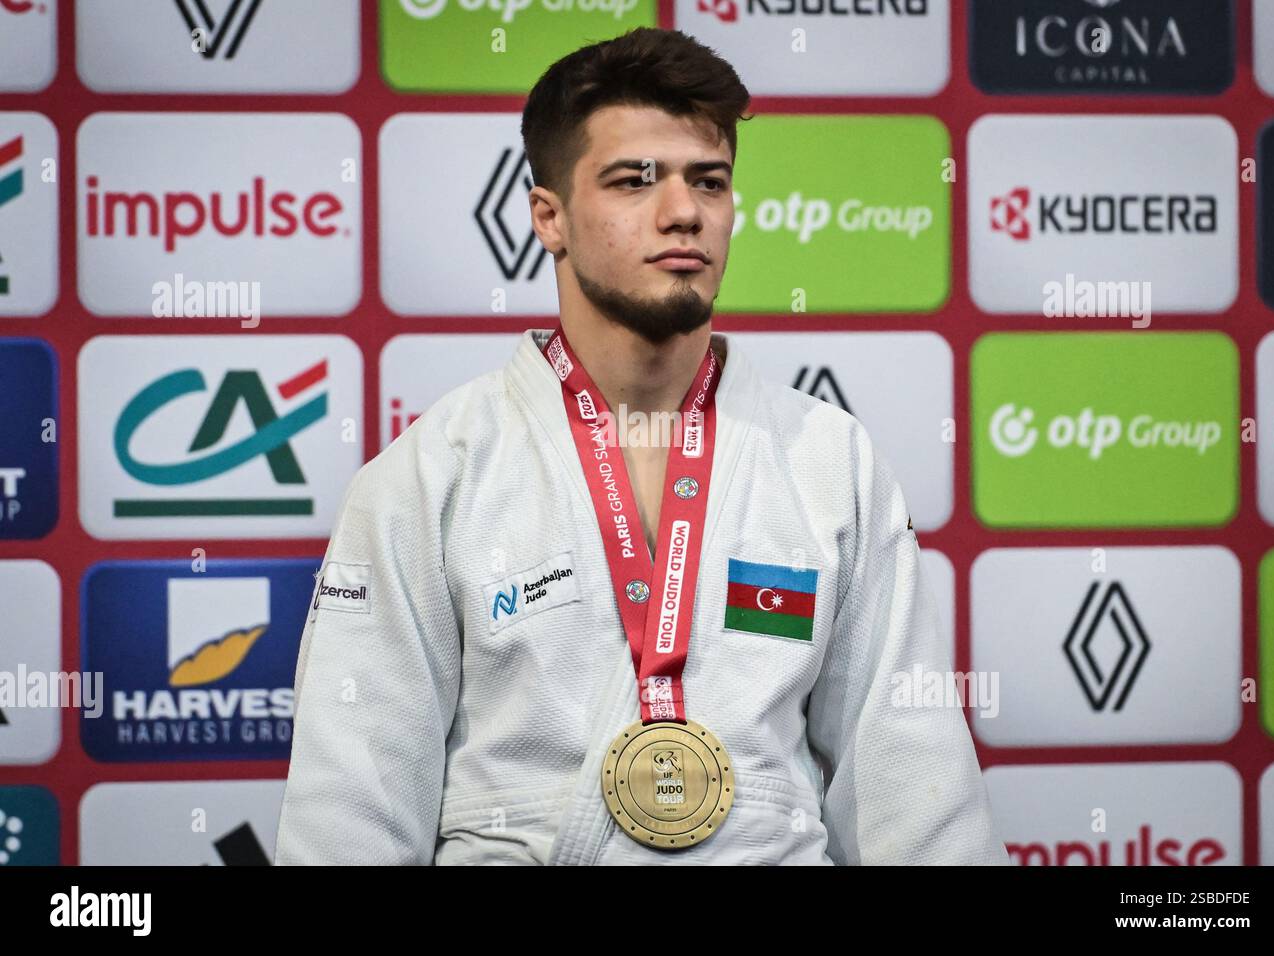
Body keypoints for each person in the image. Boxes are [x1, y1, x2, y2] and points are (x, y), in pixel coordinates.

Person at [274, 27, 1008, 865]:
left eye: (710, 180)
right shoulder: (430, 475)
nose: (684, 211)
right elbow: (350, 812)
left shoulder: (826, 459)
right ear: (548, 217)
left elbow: (914, 789)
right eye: (634, 181)